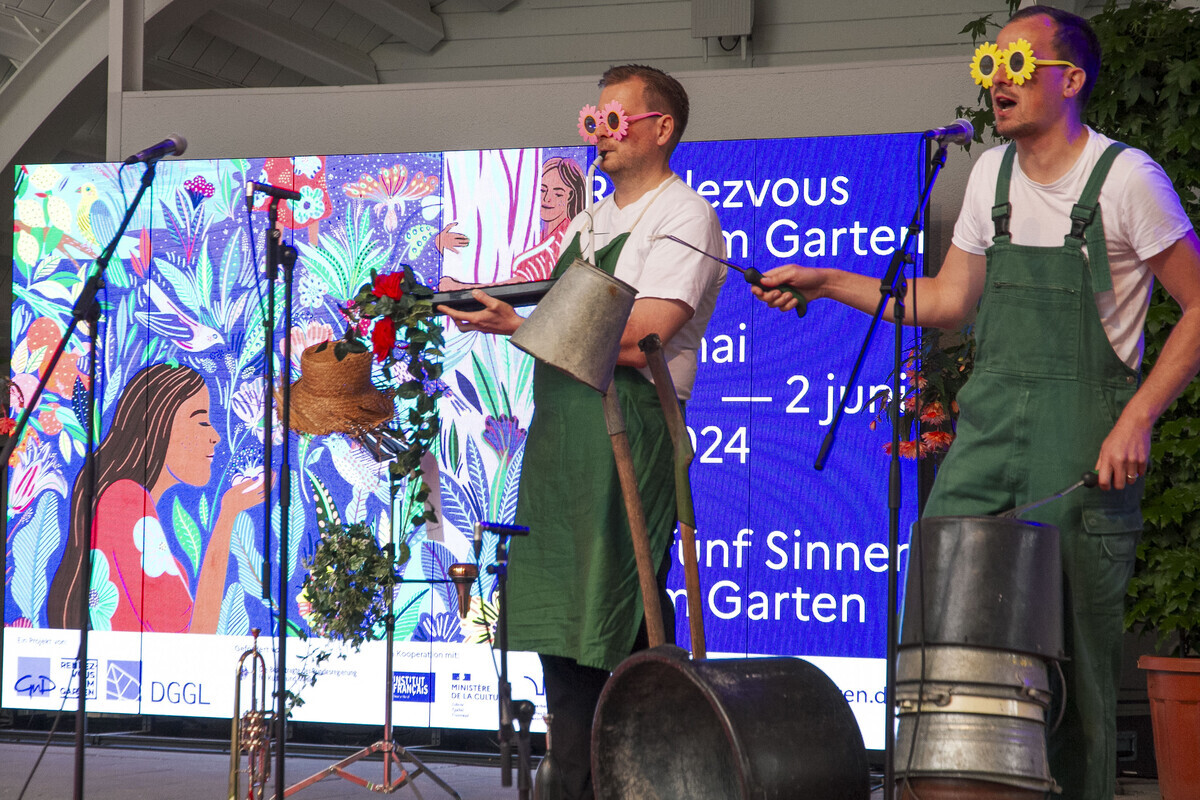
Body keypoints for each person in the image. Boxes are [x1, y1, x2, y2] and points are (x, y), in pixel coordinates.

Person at [753, 8, 1200, 800]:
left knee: (1072, 658)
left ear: (1071, 80)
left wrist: (1136, 418)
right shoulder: (991, 174)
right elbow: (947, 301)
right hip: (990, 430)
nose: (1000, 78)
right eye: (992, 62)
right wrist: (828, 283)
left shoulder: (1127, 179)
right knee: (943, 608)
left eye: (1021, 64)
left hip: (1083, 436)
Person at [439, 64, 726, 800]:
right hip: (564, 438)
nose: (600, 133)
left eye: (616, 119)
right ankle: (567, 778)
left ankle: (625, 779)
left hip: (628, 430)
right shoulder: (588, 222)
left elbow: (646, 337)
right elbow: (561, 318)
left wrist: (522, 324)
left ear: (661, 128)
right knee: (563, 641)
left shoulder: (682, 213)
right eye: (592, 119)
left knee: (617, 623)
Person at [47, 363, 263, 634]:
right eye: (201, 420)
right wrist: (227, 516)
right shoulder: (125, 501)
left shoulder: (122, 499)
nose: (215, 436)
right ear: (159, 425)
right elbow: (195, 637)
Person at [438, 155, 588, 291]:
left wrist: (457, 289)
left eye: (558, 194)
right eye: (542, 190)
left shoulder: (564, 239)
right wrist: (443, 246)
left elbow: (517, 286)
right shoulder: (537, 234)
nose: (547, 199)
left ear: (571, 197)